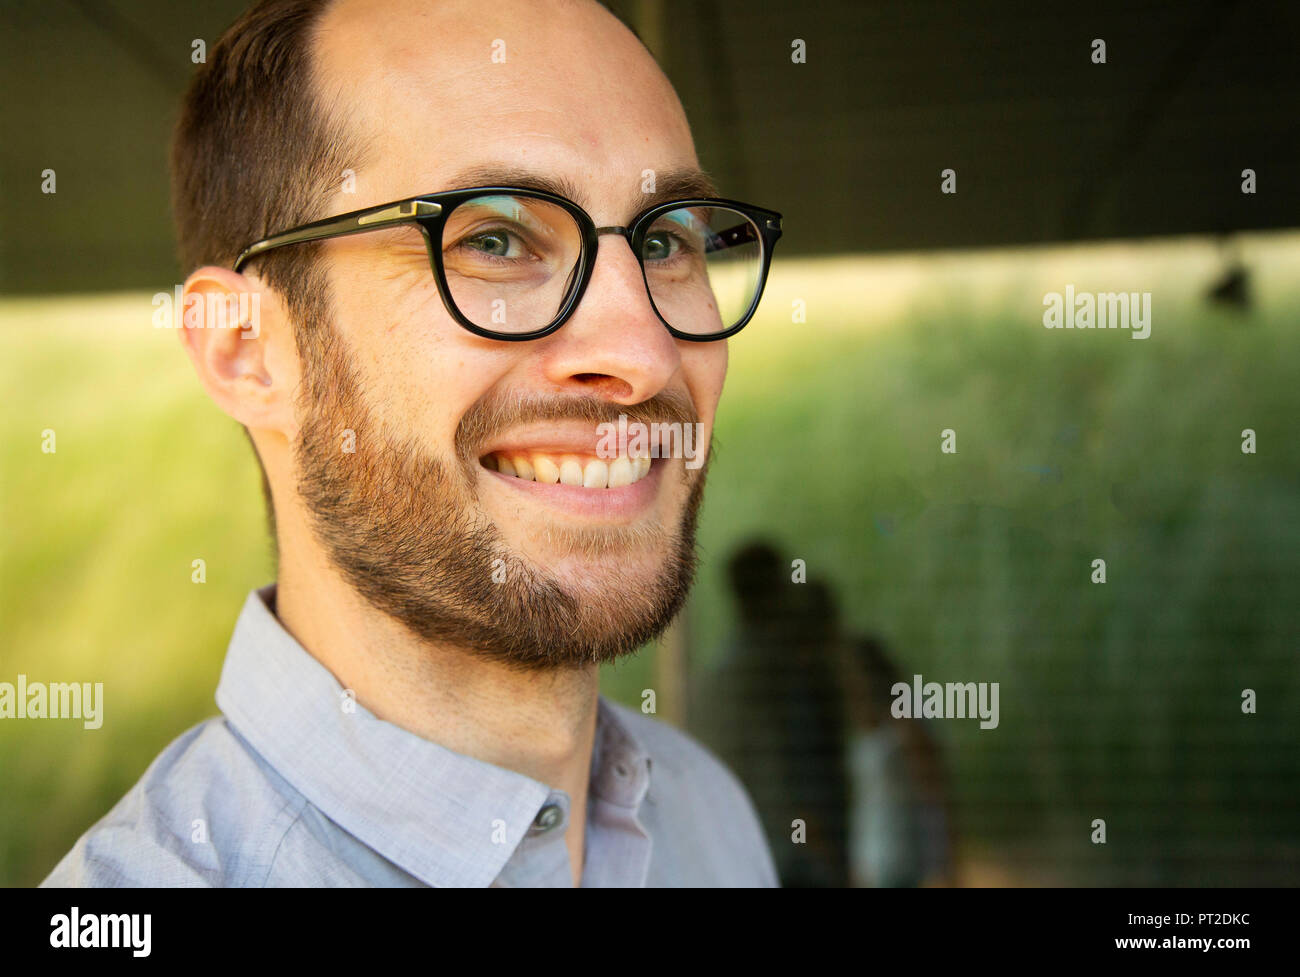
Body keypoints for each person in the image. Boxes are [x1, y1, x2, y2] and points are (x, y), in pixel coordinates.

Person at [43, 0, 784, 888]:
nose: (640, 352)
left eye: (666, 242)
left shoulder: (708, 815)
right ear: (245, 350)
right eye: (496, 239)